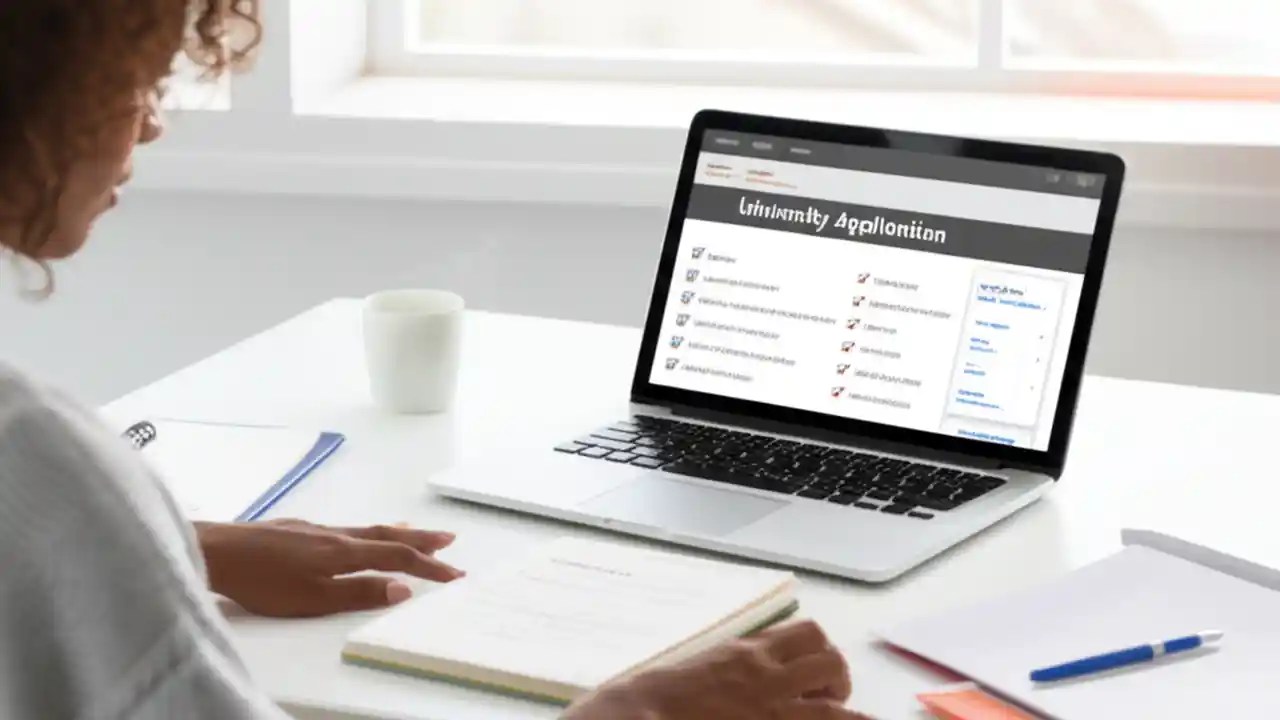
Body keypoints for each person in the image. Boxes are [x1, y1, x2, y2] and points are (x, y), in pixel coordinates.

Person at [0, 2, 864, 718]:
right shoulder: (40, 451)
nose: (151, 124)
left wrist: (176, 548)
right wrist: (638, 712)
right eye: (137, 82)